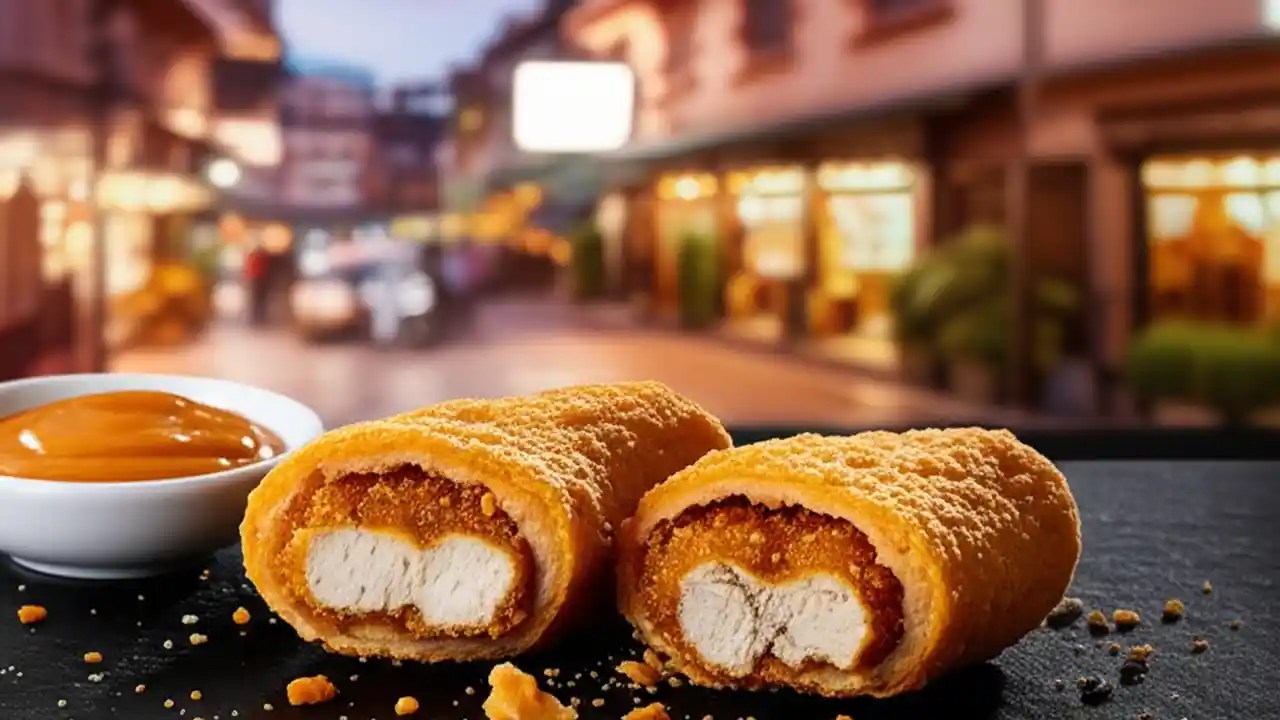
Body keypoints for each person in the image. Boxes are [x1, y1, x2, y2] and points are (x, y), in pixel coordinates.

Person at [243, 244, 269, 326]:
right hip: (259, 280)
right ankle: (257, 317)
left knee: (256, 300)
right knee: (258, 300)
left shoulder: (254, 257)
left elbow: (249, 269)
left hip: (257, 280)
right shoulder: (260, 257)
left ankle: (256, 317)